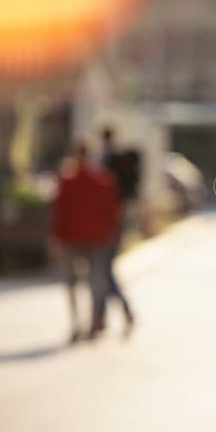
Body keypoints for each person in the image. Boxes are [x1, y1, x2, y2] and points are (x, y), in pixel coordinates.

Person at [51, 142, 121, 340]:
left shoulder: (69, 180)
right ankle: (90, 322)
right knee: (93, 282)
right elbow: (112, 212)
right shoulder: (100, 180)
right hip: (93, 238)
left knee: (76, 283)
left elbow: (58, 212)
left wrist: (56, 239)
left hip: (76, 239)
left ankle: (80, 324)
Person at [99, 127, 136, 332]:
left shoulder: (107, 164)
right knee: (103, 271)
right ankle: (102, 316)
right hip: (116, 222)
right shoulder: (119, 161)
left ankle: (122, 309)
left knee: (104, 271)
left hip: (109, 225)